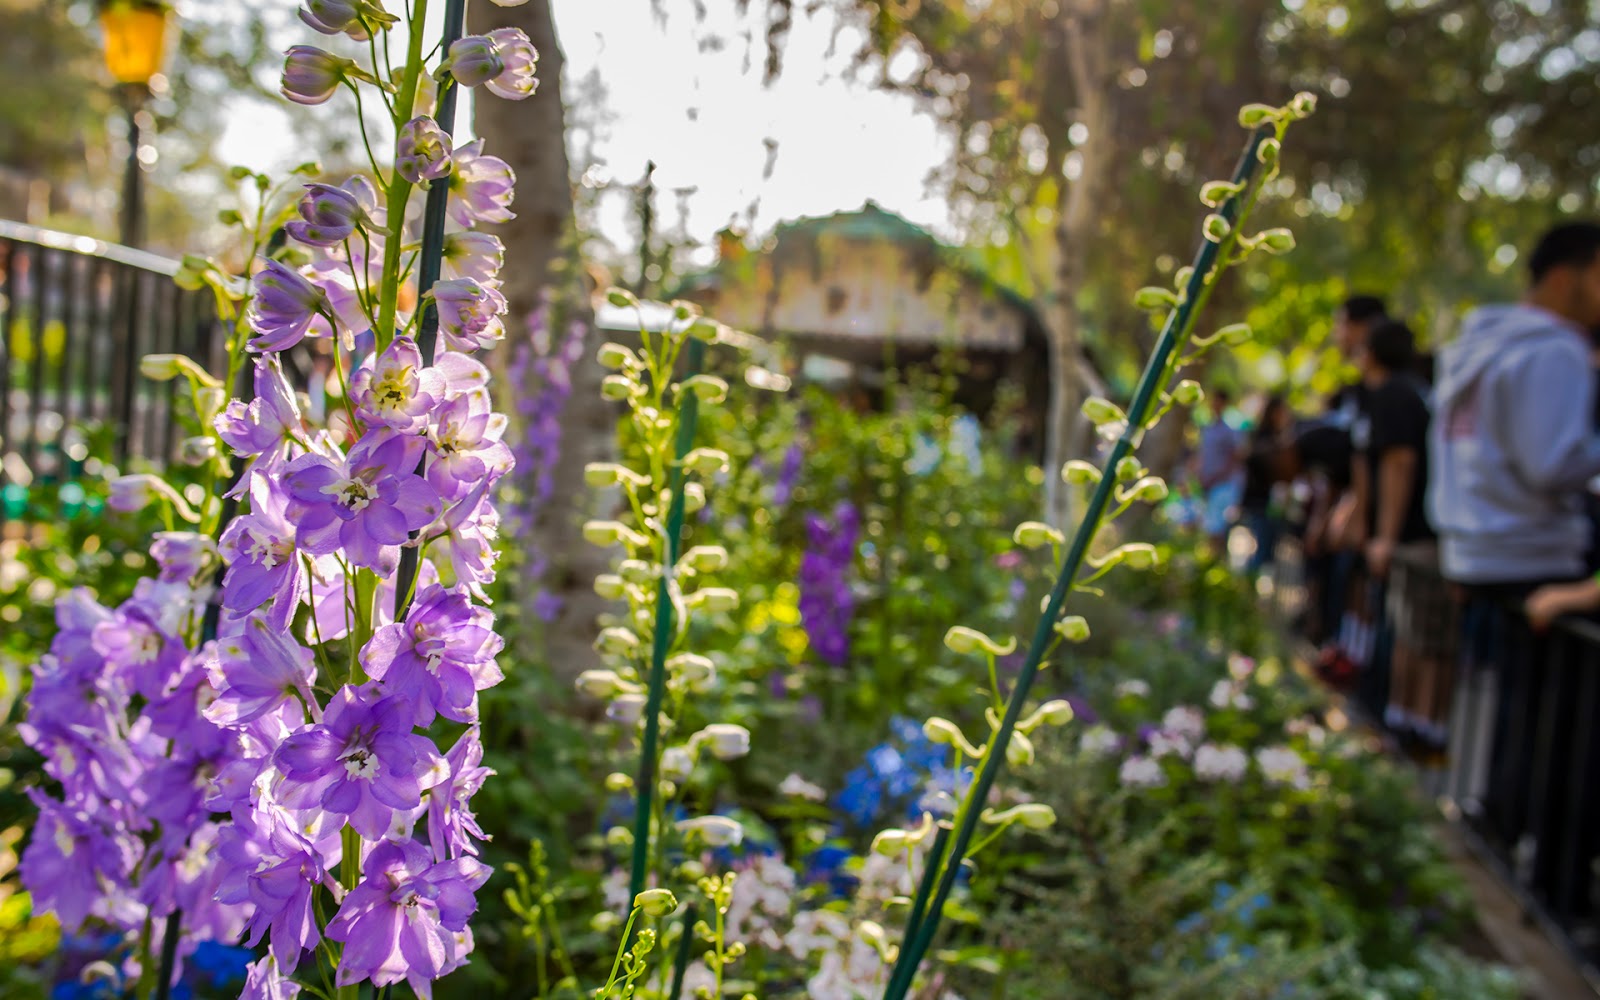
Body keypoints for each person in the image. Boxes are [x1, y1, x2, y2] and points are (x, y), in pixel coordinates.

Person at [1429, 220, 1600, 844]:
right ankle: (1538, 847)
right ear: (1565, 276)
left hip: (1478, 551)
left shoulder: (1479, 343)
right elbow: (1552, 461)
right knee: (1553, 722)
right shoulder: (1555, 349)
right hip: (1534, 554)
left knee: (1519, 710)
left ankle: (1502, 818)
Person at [1349, 318, 1446, 751]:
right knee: (1408, 632)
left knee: (1425, 637)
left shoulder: (1396, 394)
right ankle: (1403, 719)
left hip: (1417, 539)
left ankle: (1422, 731)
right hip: (1409, 540)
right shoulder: (1392, 394)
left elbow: (1399, 463)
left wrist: (1385, 536)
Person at [1240, 394, 1294, 576]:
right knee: (1262, 548)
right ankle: (1248, 583)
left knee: (1267, 548)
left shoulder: (1278, 438)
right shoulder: (1265, 440)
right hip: (1259, 501)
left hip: (1268, 503)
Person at [1194, 388, 1244, 552]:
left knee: (1218, 528)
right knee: (1209, 526)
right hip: (1209, 484)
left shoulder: (1230, 430)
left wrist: (1217, 477)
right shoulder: (1208, 428)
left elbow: (1235, 457)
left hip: (1223, 485)